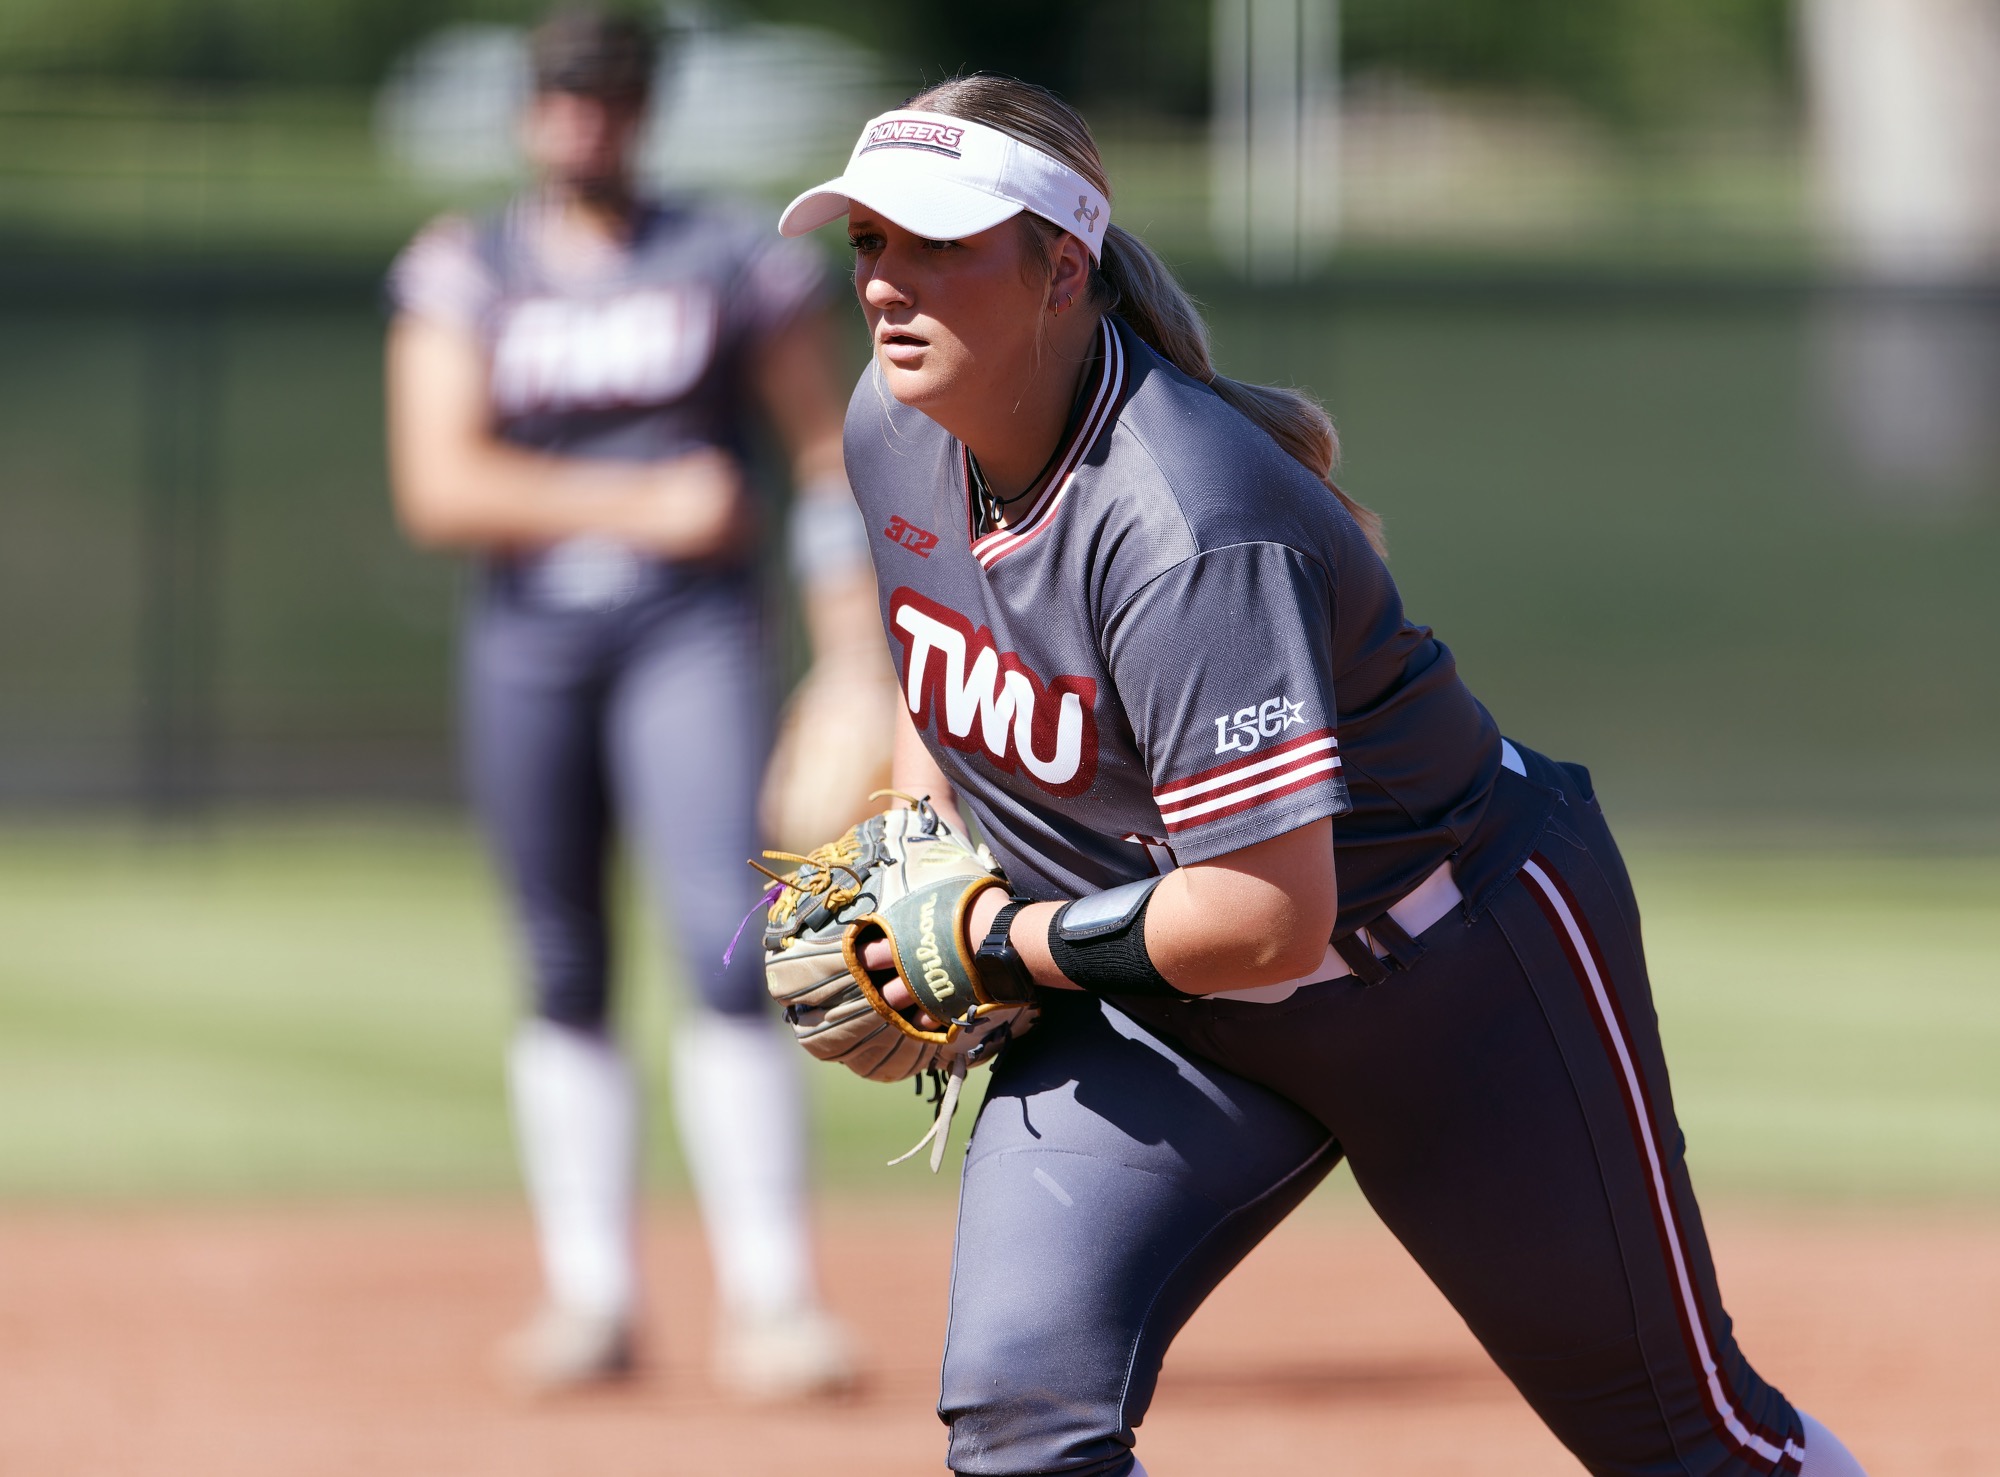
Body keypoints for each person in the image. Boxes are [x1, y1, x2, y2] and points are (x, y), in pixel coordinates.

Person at [774, 75, 1874, 1475]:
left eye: (937, 241)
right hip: (1163, 1012)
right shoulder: (894, 423)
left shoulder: (1189, 522)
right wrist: (925, 843)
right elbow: (947, 655)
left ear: (1064, 266)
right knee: (1021, 1417)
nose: (884, 283)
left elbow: (1265, 916)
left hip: (1451, 984)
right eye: (867, 242)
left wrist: (992, 942)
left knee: (1686, 1442)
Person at [384, 8, 877, 1397]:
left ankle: (773, 1298)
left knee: (726, 944)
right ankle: (591, 1296)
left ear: (645, 110)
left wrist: (852, 648)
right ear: (528, 110)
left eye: (607, 97)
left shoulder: (729, 258)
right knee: (560, 958)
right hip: (534, 639)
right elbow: (439, 483)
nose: (581, 120)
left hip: (689, 639)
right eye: (561, 96)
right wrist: (645, 497)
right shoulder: (463, 265)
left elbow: (825, 455)